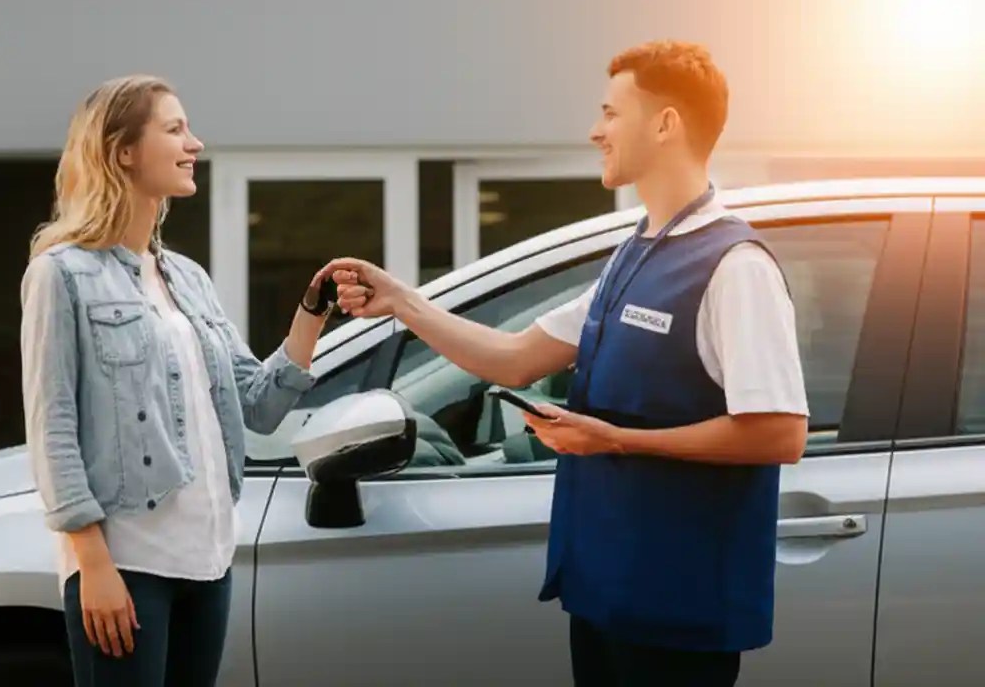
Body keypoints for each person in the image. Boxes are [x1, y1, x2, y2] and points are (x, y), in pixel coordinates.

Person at [321, 40, 808, 686]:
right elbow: (516, 359)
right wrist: (405, 303)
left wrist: (613, 439)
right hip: (609, 591)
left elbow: (779, 431)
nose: (595, 130)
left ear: (665, 123)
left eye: (611, 112)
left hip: (678, 604)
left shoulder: (735, 266)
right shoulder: (633, 255)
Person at [20, 75, 334, 687]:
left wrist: (312, 312)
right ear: (123, 151)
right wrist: (92, 566)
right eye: (175, 129)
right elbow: (51, 427)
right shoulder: (61, 274)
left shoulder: (187, 277)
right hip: (127, 564)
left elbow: (258, 405)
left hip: (210, 560)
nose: (195, 142)